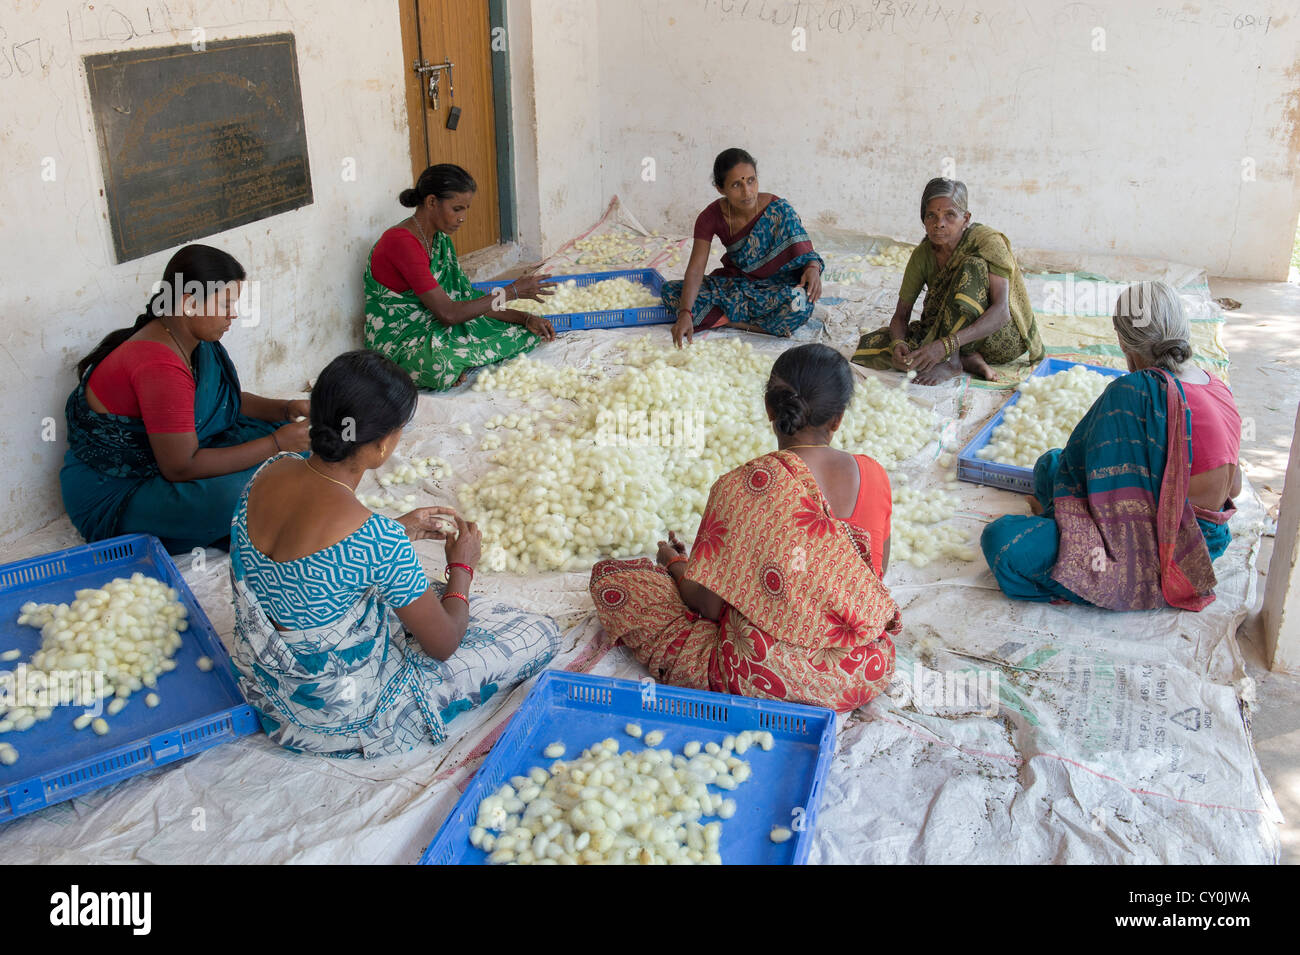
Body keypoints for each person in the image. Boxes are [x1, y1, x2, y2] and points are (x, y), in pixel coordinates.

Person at [229, 350, 561, 757]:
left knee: (425, 597)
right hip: (334, 713)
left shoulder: (269, 470)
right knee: (535, 633)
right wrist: (462, 567)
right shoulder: (376, 541)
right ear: (383, 444)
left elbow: (310, 556)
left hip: (267, 684)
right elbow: (443, 644)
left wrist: (397, 529)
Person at [589, 344, 898, 712]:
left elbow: (706, 606)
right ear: (838, 418)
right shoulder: (873, 474)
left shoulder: (743, 486)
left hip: (764, 676)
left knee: (616, 581)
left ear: (770, 408)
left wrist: (674, 565)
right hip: (863, 671)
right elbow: (873, 574)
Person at [981, 282, 1241, 611]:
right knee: (1050, 464)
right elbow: (1236, 486)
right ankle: (1058, 526)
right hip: (1209, 537)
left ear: (1123, 341)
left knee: (1003, 542)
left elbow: (1095, 471)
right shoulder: (1215, 385)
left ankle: (1092, 576)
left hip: (1170, 550)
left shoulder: (1134, 391)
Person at [61, 244, 309, 553]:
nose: (233, 314)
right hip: (117, 492)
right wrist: (278, 444)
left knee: (293, 452)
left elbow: (225, 401)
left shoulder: (190, 339)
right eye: (226, 304)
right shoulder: (158, 363)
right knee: (254, 482)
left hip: (171, 460)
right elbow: (180, 467)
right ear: (190, 303)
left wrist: (284, 409)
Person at [364, 163, 556, 390]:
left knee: (526, 333)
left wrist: (524, 318)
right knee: (442, 366)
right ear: (432, 202)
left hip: (432, 326)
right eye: (457, 209)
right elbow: (449, 314)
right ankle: (442, 364)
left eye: (466, 209)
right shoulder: (402, 242)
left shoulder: (438, 239)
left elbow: (465, 299)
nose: (463, 218)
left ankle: (462, 360)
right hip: (400, 341)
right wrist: (512, 291)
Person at [853, 178, 1043, 384]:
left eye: (950, 215)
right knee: (874, 346)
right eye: (931, 216)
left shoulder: (987, 242)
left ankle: (953, 360)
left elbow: (1002, 312)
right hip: (951, 335)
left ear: (966, 218)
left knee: (973, 266)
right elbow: (901, 315)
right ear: (923, 220)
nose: (939, 223)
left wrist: (944, 347)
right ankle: (967, 358)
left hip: (996, 337)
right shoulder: (923, 255)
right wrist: (898, 344)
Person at [662, 148, 825, 347]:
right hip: (737, 284)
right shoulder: (710, 217)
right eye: (736, 184)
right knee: (671, 293)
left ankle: (727, 319)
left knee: (800, 305)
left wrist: (812, 269)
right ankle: (752, 323)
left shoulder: (779, 210)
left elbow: (807, 254)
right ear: (720, 189)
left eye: (751, 181)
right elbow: (696, 270)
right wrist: (685, 313)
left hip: (777, 287)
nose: (747, 192)